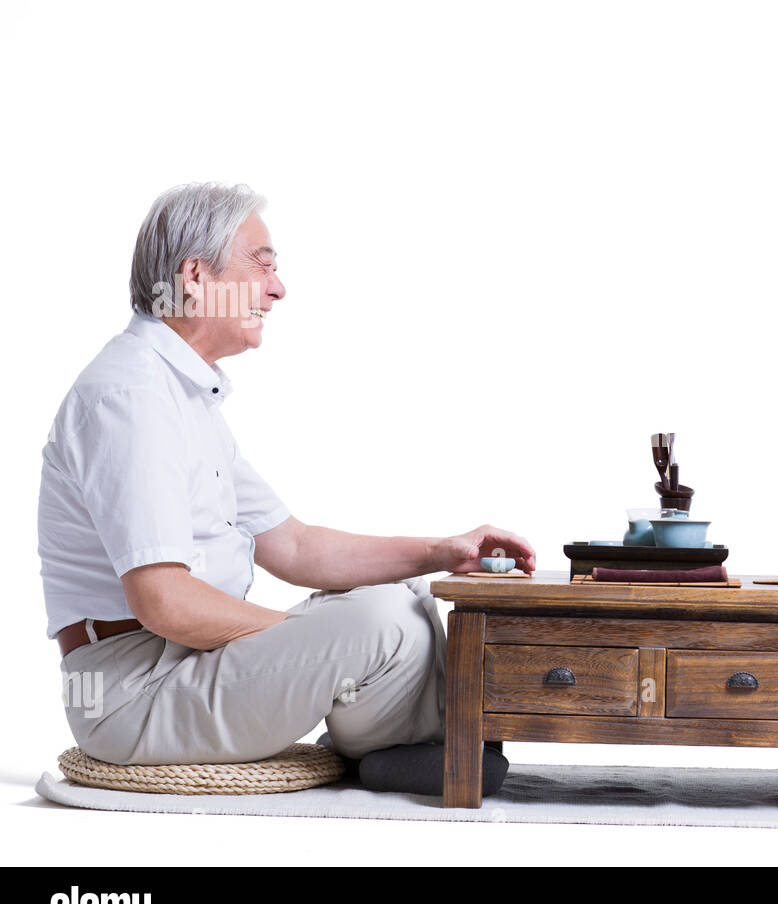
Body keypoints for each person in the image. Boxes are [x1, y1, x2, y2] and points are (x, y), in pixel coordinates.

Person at [39, 182, 534, 795]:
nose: (277, 289)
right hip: (130, 692)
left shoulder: (182, 395)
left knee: (401, 589)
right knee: (378, 621)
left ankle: (400, 741)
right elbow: (163, 602)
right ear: (195, 275)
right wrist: (309, 642)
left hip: (183, 662)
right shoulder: (131, 398)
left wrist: (444, 550)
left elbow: (294, 548)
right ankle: (401, 743)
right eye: (261, 264)